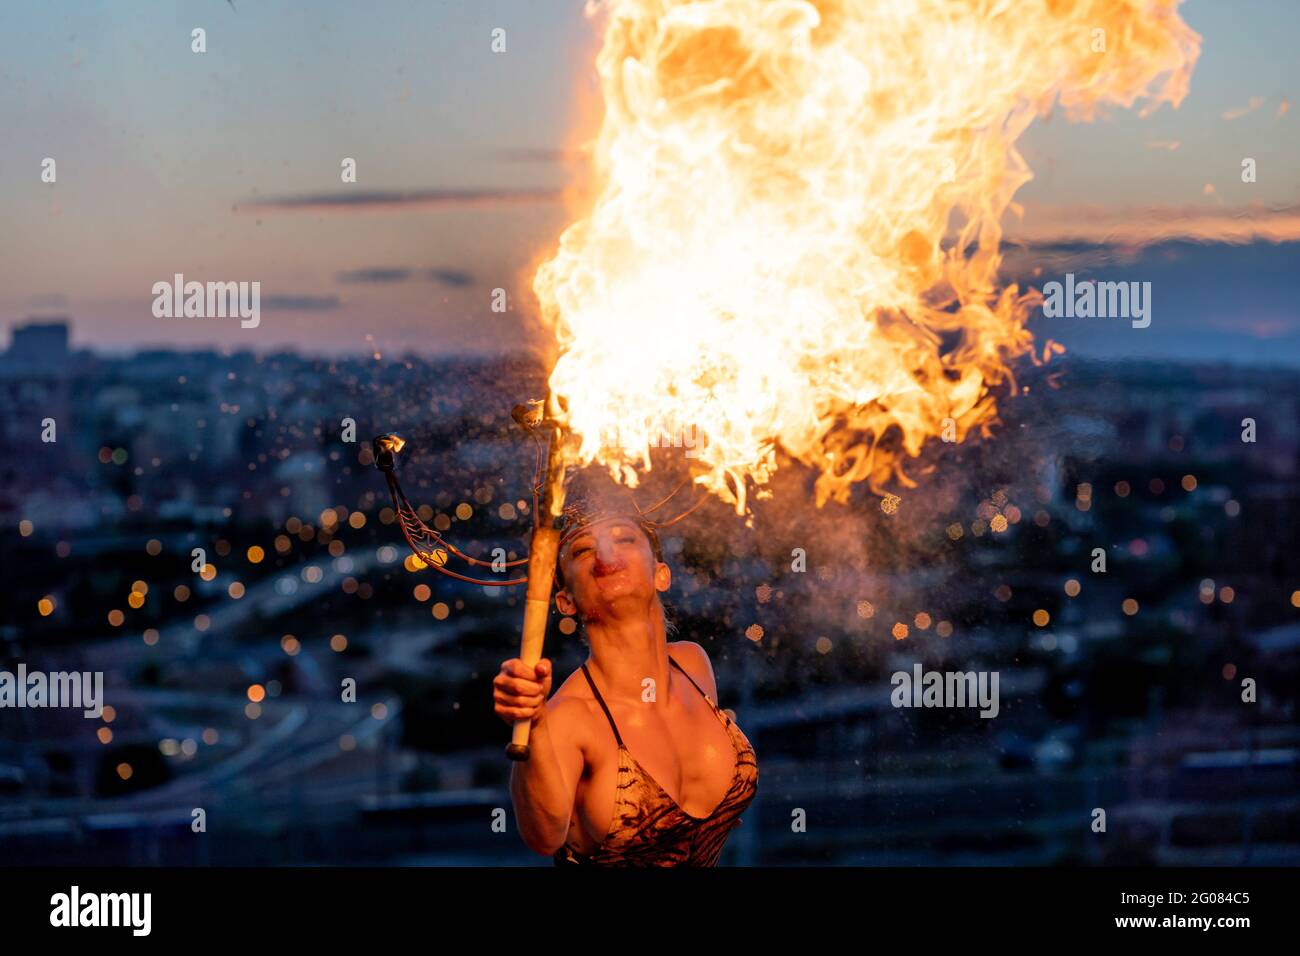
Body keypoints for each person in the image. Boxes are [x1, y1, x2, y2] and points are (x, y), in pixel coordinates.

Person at [492, 488, 758, 865]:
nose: (605, 552)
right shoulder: (568, 717)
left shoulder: (693, 665)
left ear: (661, 574)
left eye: (625, 538)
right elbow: (544, 836)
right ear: (566, 601)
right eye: (583, 551)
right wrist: (531, 725)